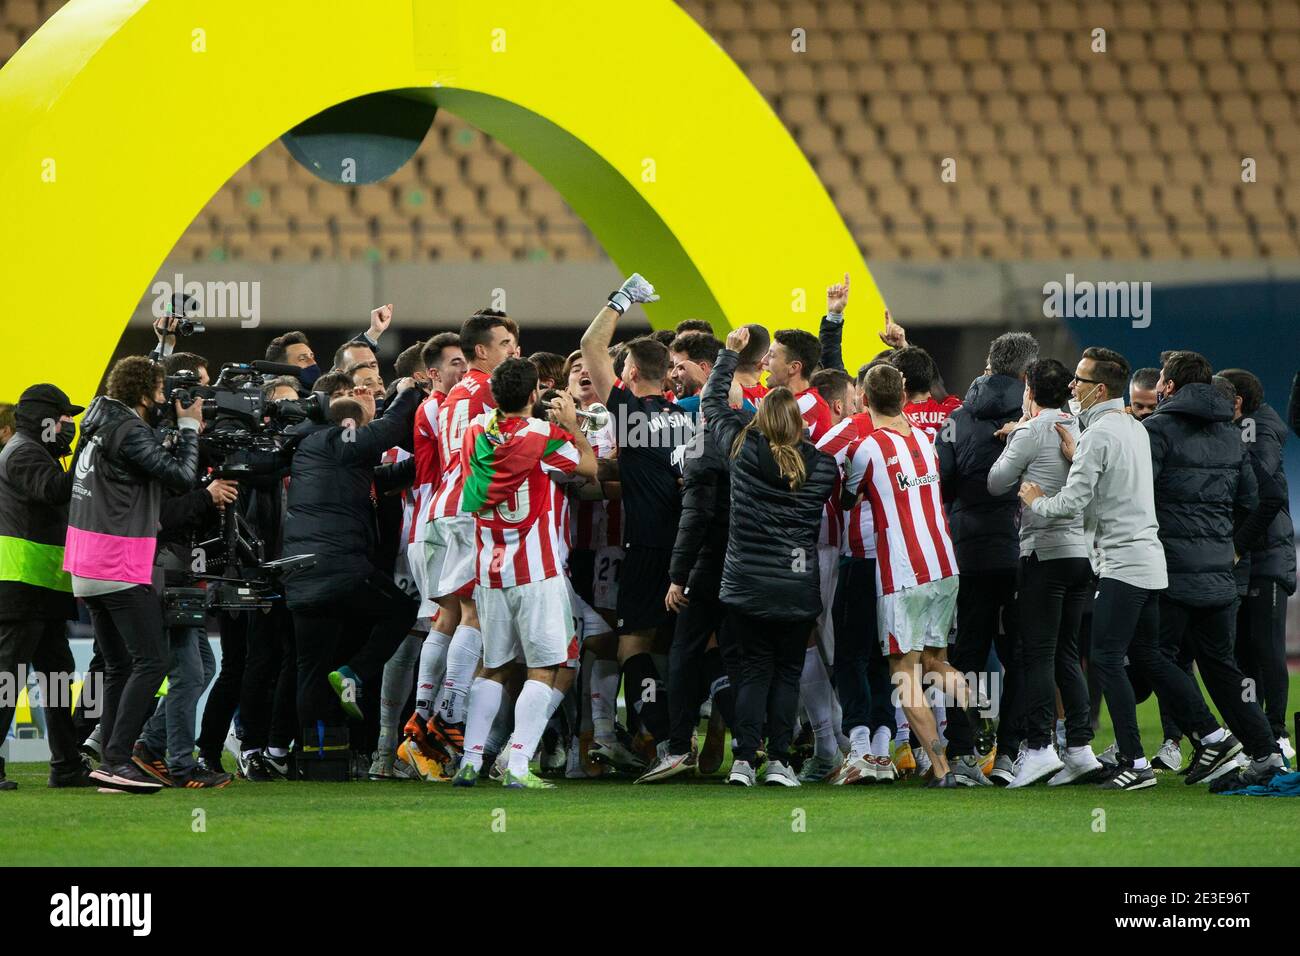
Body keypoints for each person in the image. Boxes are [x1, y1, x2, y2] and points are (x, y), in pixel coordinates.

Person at [1019, 347, 1239, 791]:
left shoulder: (1102, 435)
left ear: (1098, 388)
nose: (1070, 387)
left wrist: (1035, 499)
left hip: (1122, 564)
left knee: (1105, 660)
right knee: (1149, 656)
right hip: (1149, 559)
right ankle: (1214, 735)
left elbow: (1073, 502)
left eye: (1078, 381)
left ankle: (1135, 762)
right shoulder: (1133, 427)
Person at [699, 327, 837, 787]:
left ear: (760, 419)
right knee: (788, 672)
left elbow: (712, 405)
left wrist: (727, 356)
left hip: (746, 585)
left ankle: (744, 760)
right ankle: (779, 760)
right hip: (797, 587)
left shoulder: (742, 448)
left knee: (753, 671)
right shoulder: (821, 465)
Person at [449, 359, 595, 788]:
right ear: (534, 395)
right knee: (546, 667)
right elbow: (588, 467)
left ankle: (470, 760)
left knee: (492, 666)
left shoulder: (475, 431)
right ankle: (516, 765)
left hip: (489, 570)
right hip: (536, 570)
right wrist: (573, 426)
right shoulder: (543, 436)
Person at [64, 356, 202, 793]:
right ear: (143, 396)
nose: (166, 400)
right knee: (153, 661)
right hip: (118, 563)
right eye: (160, 391)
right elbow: (182, 476)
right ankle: (117, 758)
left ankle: (106, 759)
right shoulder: (129, 432)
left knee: (120, 664)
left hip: (86, 564)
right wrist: (190, 428)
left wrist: (162, 345)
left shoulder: (100, 421)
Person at [280, 376, 421, 767]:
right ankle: (355, 674)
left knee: (312, 668)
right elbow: (391, 430)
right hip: (338, 569)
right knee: (401, 611)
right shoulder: (338, 442)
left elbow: (387, 477)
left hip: (303, 574)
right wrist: (408, 392)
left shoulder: (318, 455)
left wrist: (431, 457)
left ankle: (317, 761)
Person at [579, 274, 693, 758]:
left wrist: (622, 299)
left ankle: (670, 742)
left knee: (632, 648)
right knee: (689, 647)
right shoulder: (689, 418)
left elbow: (590, 344)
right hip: (688, 547)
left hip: (646, 547)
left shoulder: (628, 413)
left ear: (628, 374)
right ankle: (717, 745)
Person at [987, 359, 1102, 787]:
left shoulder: (1031, 431)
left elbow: (997, 483)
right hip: (1081, 557)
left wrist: (1014, 437)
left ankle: (1038, 748)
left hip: (1043, 553)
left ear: (1028, 389)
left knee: (1037, 654)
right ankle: (1079, 747)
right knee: (1068, 653)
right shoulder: (1081, 428)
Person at [412, 310, 517, 770]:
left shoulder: (454, 392)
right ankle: (451, 712)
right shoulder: (493, 390)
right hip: (469, 508)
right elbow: (493, 454)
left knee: (446, 613)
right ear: (482, 350)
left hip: (441, 507)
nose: (512, 351)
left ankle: (421, 714)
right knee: (474, 610)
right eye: (505, 344)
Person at [937, 331, 1038, 785]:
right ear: (1025, 373)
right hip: (1023, 549)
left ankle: (961, 753)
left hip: (969, 549)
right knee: (1020, 654)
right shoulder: (1039, 420)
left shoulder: (957, 418)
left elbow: (941, 482)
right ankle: (1012, 754)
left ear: (989, 364)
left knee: (965, 652)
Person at [0, 384, 90, 790]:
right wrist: (86, 454)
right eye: (66, 417)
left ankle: (67, 766)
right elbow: (55, 490)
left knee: (57, 676)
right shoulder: (22, 452)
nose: (71, 424)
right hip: (20, 587)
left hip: (42, 586)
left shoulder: (34, 450)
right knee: (8, 678)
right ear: (45, 420)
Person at [1220, 367, 1296, 764]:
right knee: (1247, 650)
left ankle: (1278, 732)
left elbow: (1266, 495)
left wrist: (1237, 545)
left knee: (1266, 647)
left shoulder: (1257, 430)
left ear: (1237, 403)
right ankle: (1256, 732)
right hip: (1256, 555)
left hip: (1267, 555)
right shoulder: (1252, 425)